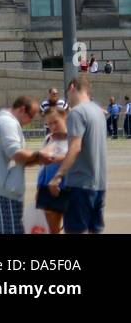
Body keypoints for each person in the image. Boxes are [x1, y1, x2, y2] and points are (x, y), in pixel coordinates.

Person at [49, 74, 107, 234]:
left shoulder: (77, 113)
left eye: (67, 94)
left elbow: (75, 147)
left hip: (80, 186)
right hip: (99, 185)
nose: (67, 98)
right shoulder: (99, 113)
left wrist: (57, 176)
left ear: (72, 87)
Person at [0, 95, 44, 234]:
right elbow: (15, 153)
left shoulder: (5, 121)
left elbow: (19, 159)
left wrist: (38, 159)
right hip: (3, 192)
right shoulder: (7, 123)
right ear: (22, 109)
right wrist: (40, 155)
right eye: (31, 116)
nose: (30, 121)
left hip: (5, 191)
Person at [30, 106, 69, 234]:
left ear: (64, 117)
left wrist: (58, 158)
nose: (53, 126)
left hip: (71, 189)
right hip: (49, 189)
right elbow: (43, 167)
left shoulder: (74, 138)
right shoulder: (49, 138)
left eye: (55, 122)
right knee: (52, 230)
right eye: (49, 124)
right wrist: (39, 188)